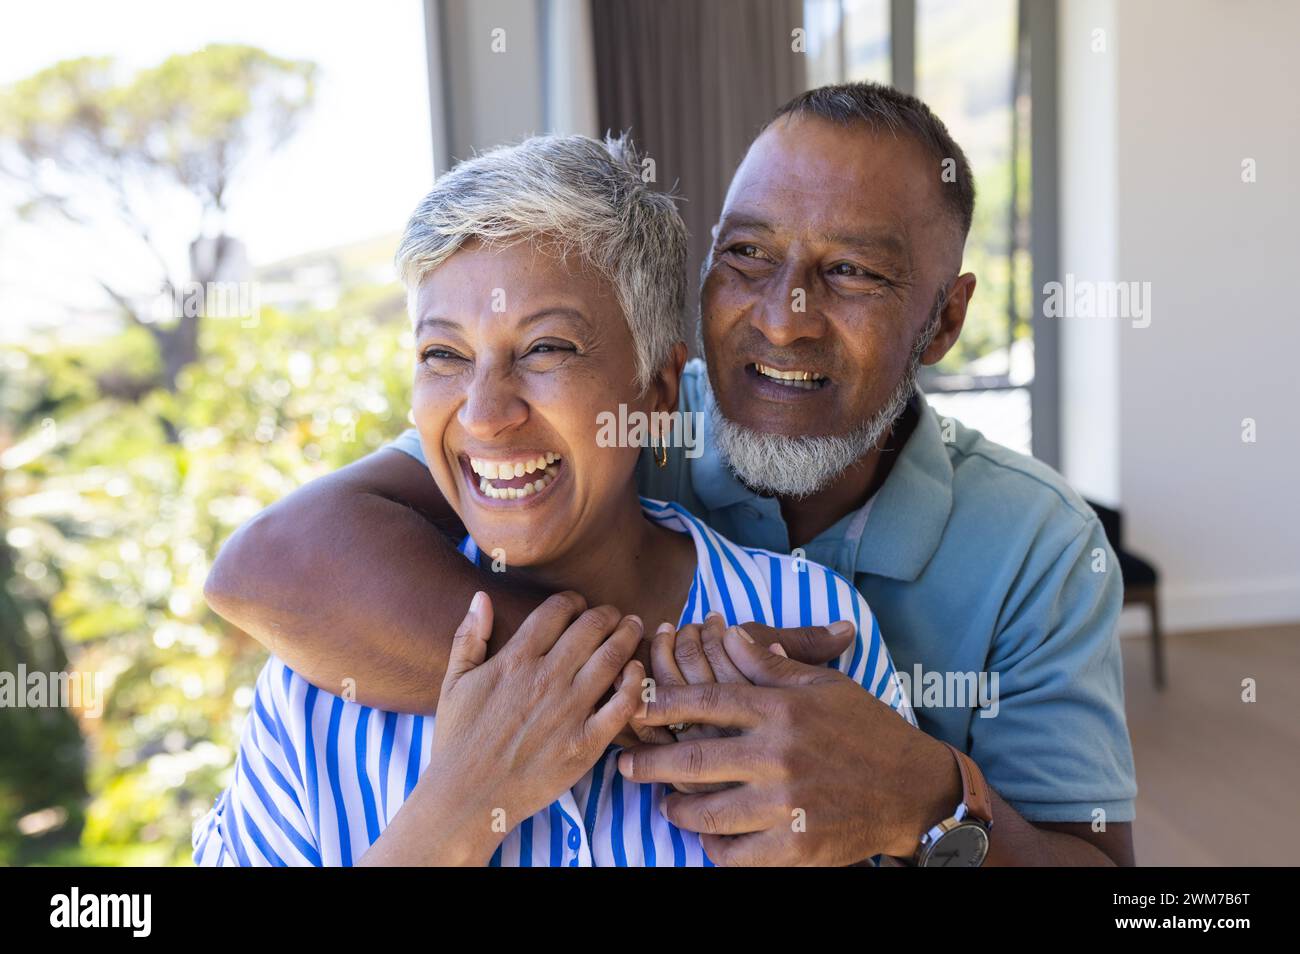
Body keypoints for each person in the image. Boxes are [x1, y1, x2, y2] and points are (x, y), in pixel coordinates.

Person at [205, 82, 1138, 866]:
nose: (783, 318)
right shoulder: (549, 443)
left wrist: (928, 793)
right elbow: (273, 565)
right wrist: (636, 675)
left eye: (851, 271)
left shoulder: (1038, 549)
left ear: (942, 322)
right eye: (745, 254)